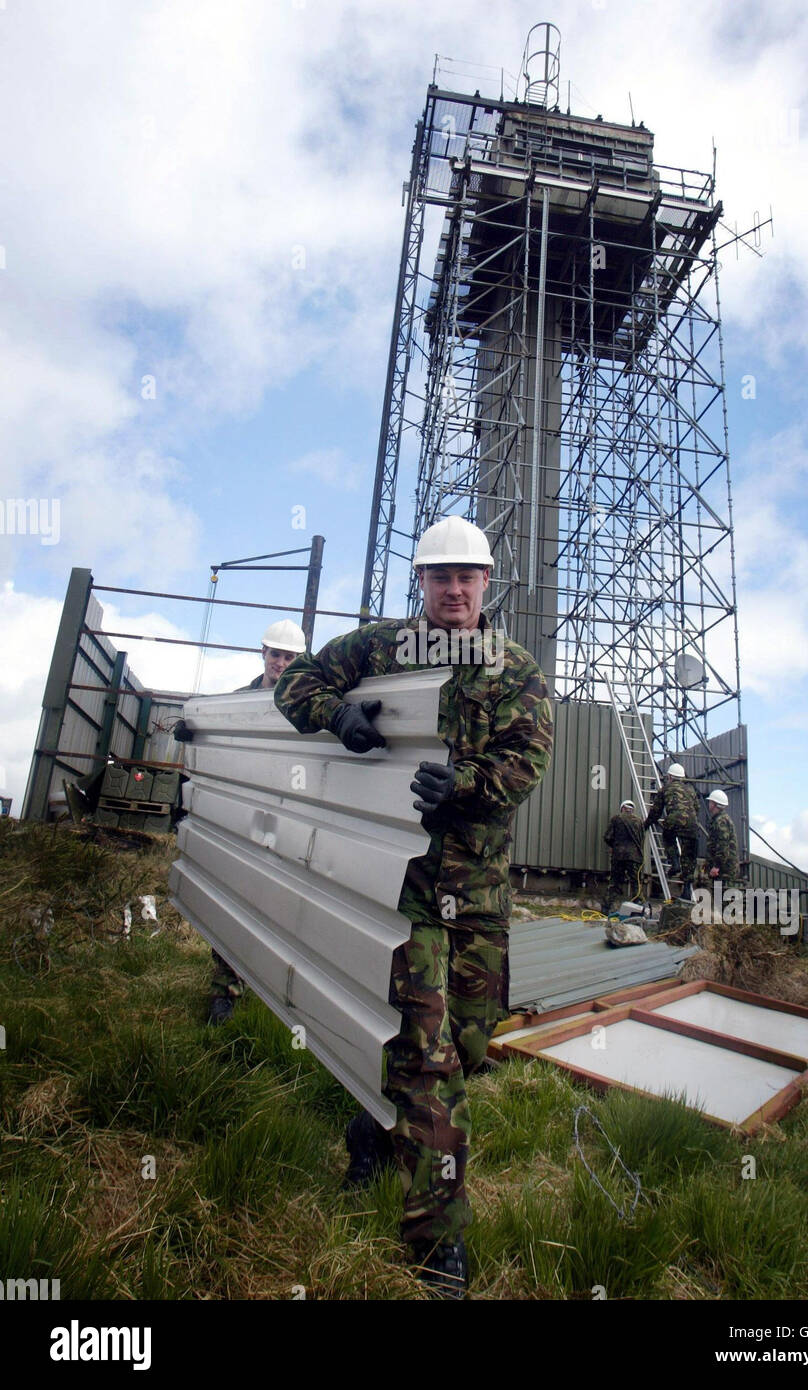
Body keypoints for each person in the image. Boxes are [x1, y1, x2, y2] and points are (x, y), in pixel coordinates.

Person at [273, 516, 553, 1297]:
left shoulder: (517, 670)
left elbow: (526, 762)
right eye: (440, 577)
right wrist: (338, 715)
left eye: (467, 577)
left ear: (487, 584)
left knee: (466, 1047)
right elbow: (298, 682)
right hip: (402, 887)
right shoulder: (381, 649)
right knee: (431, 1062)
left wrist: (464, 785)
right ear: (422, 584)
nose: (454, 590)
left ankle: (372, 1119)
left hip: (480, 896)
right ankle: (438, 1243)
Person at [174, 619, 306, 1023]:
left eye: (288, 657)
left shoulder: (307, 705)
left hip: (288, 816)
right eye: (275, 654)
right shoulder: (236, 703)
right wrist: (193, 733)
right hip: (241, 813)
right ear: (262, 654)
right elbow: (215, 743)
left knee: (280, 906)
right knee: (233, 898)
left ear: (298, 660)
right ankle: (226, 989)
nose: (280, 663)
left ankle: (280, 989)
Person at [643, 763, 699, 902]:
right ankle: (686, 890)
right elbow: (696, 808)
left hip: (674, 819)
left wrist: (646, 825)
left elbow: (656, 812)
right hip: (692, 824)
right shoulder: (691, 790)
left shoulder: (665, 789)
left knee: (668, 837)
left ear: (669, 776)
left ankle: (674, 862)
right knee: (689, 856)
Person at [602, 798, 644, 910]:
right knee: (636, 883)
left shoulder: (616, 819)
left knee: (614, 882)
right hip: (635, 857)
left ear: (622, 808)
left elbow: (608, 837)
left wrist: (614, 846)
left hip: (619, 855)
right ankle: (637, 909)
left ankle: (606, 908)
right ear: (632, 810)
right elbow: (641, 840)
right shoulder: (639, 821)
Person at [703, 789, 740, 889]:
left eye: (710, 802)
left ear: (715, 804)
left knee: (722, 900)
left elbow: (723, 846)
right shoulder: (720, 819)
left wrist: (716, 866)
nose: (709, 804)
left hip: (724, 871)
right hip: (723, 869)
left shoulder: (721, 821)